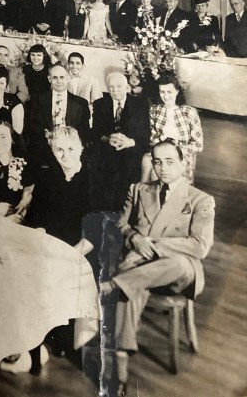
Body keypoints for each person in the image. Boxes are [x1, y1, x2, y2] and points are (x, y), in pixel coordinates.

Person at [99, 141, 215, 396]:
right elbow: (120, 224)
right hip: (139, 268)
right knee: (131, 288)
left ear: (184, 164)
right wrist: (133, 238)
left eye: (170, 161)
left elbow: (200, 247)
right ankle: (121, 372)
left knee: (176, 264)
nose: (162, 168)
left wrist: (154, 245)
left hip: (176, 272)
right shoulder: (139, 189)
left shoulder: (201, 200)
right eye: (157, 161)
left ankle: (115, 283)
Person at [89, 72, 150, 212]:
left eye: (118, 86)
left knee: (127, 171)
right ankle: (101, 209)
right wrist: (107, 138)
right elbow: (95, 132)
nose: (115, 90)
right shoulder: (100, 103)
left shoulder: (140, 104)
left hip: (131, 150)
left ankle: (126, 210)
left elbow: (146, 135)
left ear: (127, 87)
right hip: (107, 149)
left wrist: (130, 142)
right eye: (111, 87)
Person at [26, 126, 94, 252]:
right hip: (49, 249)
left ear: (81, 149)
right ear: (52, 151)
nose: (65, 155)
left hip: (81, 253)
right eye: (59, 150)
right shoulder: (45, 179)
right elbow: (35, 218)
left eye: (70, 149)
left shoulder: (94, 180)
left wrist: (67, 258)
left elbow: (96, 232)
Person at [25, 64, 90, 168]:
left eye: (62, 77)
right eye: (55, 78)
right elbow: (31, 125)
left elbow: (84, 130)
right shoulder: (37, 101)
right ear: (49, 79)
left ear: (68, 78)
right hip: (45, 151)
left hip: (70, 153)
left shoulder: (80, 103)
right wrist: (45, 133)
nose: (59, 81)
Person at [144, 74, 203, 184]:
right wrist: (160, 144)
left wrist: (175, 149)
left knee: (155, 173)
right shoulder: (155, 110)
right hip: (161, 151)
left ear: (176, 91)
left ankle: (154, 197)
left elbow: (198, 145)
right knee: (146, 160)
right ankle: (140, 194)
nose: (166, 96)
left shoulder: (189, 112)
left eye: (169, 92)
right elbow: (152, 138)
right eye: (162, 92)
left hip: (181, 154)